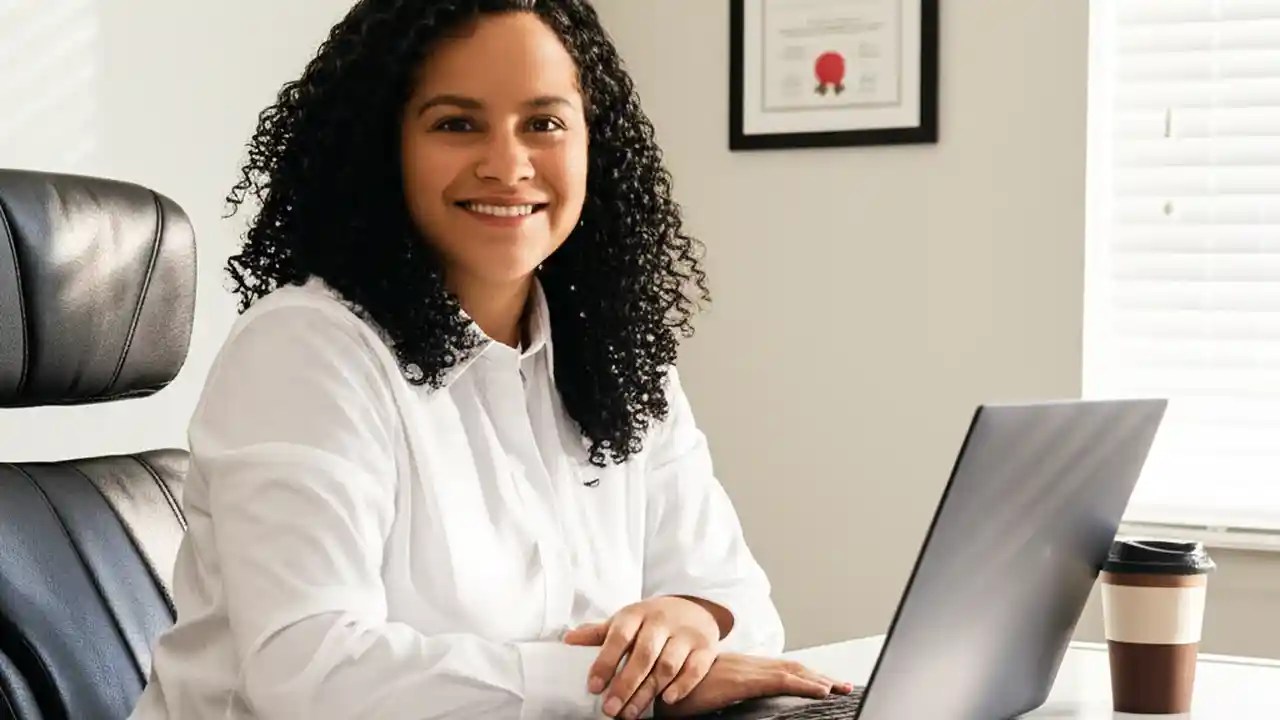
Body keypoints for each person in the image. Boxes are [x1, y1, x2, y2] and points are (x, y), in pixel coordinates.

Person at [130, 1, 853, 718]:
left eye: (544, 124)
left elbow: (744, 619)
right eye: (456, 124)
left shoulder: (615, 355)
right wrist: (612, 684)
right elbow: (309, 675)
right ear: (384, 147)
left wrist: (685, 623)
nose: (508, 166)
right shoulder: (304, 349)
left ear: (592, 145)